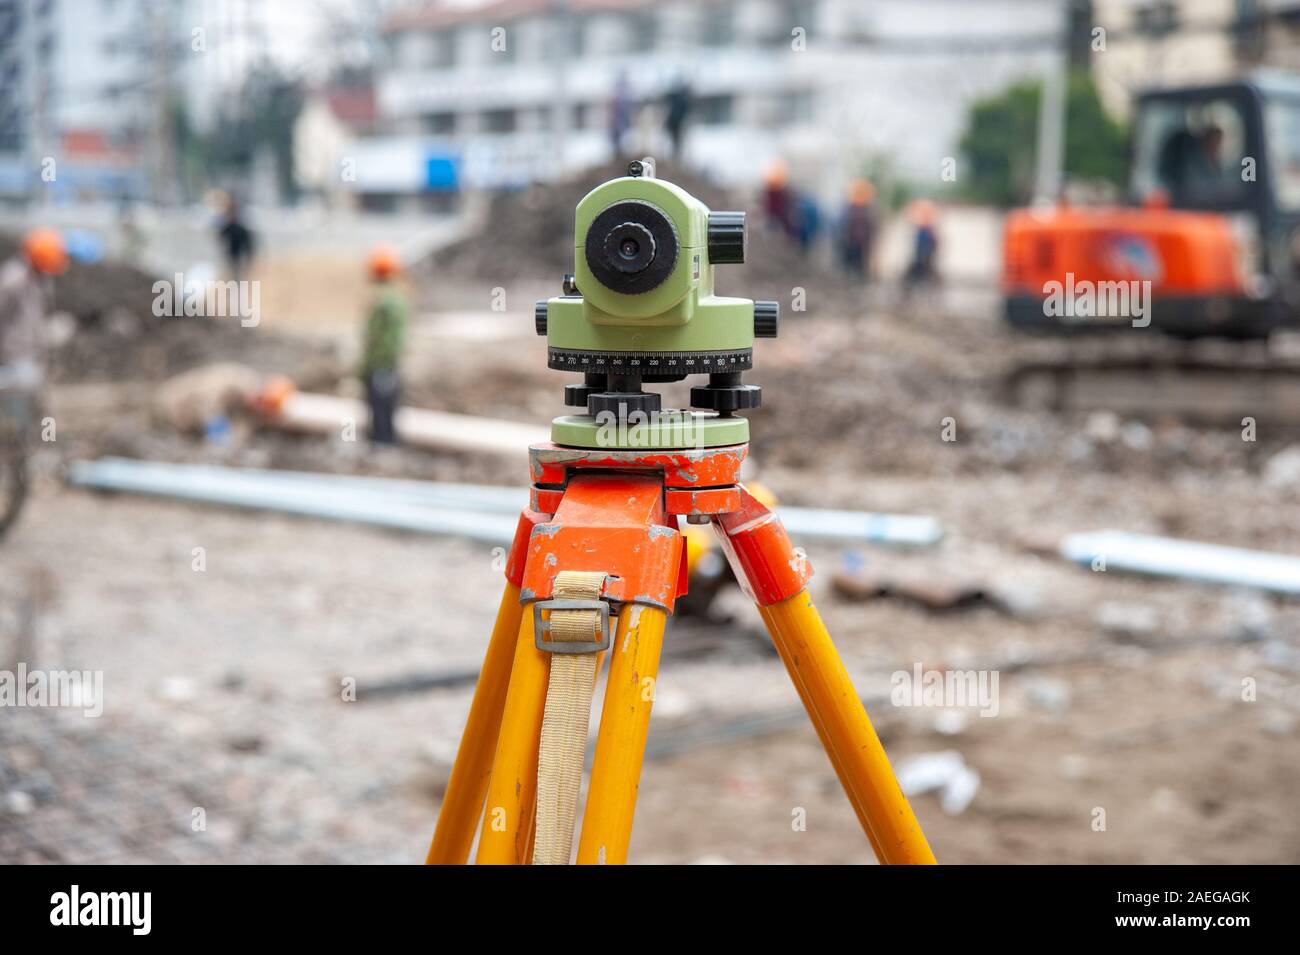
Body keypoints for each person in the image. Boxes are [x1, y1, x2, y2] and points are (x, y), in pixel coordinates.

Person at [358, 246, 408, 446]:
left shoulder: (381, 302)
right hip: (392, 362)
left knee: (379, 406)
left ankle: (382, 443)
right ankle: (388, 440)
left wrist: (364, 367)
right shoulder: (398, 298)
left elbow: (374, 339)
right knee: (389, 405)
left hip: (381, 362)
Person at [838, 179, 877, 279]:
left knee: (858, 268)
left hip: (861, 246)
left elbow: (873, 229)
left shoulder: (869, 210)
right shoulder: (848, 209)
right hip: (848, 244)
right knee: (846, 268)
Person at [217, 193, 255, 281]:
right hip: (232, 252)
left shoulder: (241, 228)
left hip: (239, 252)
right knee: (233, 272)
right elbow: (221, 237)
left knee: (238, 272)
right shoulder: (228, 227)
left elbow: (247, 241)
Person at [663, 77, 692, 162]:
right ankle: (674, 157)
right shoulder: (681, 99)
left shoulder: (675, 97)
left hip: (674, 123)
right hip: (675, 124)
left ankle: (675, 157)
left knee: (675, 143)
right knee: (675, 143)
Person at [608, 72, 633, 157]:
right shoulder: (618, 99)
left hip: (621, 125)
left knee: (623, 143)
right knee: (617, 144)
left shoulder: (624, 99)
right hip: (617, 126)